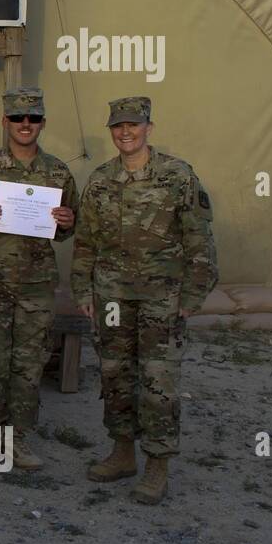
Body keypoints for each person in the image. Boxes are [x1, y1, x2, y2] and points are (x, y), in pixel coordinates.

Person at [71, 96, 218, 504]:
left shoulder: (177, 176)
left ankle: (157, 464)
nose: (126, 132)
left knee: (158, 384)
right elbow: (85, 243)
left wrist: (192, 294)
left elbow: (199, 239)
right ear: (112, 131)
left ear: (149, 128)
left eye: (133, 125)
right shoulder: (100, 180)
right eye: (118, 126)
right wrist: (83, 290)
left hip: (162, 299)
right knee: (116, 376)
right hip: (112, 297)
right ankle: (122, 453)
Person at [0, 87, 77, 471]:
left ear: (43, 122)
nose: (25, 125)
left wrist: (67, 222)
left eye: (32, 118)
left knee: (30, 362)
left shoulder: (58, 172)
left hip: (36, 282)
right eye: (17, 118)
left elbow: (67, 227)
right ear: (5, 122)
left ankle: (19, 439)